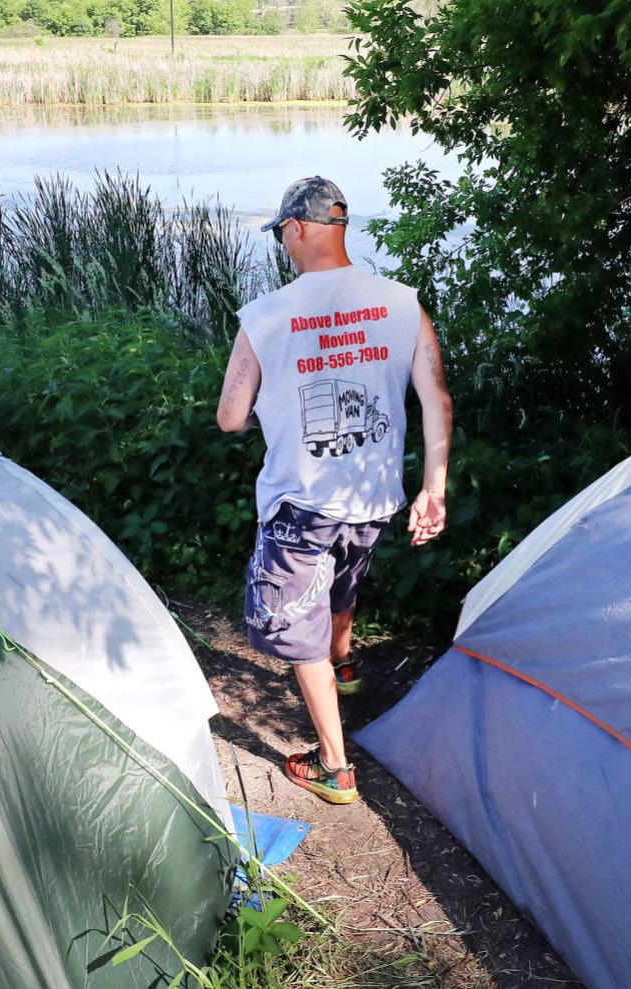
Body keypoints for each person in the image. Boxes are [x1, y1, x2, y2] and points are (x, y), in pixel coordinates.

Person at [216, 176, 453, 805]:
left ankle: (334, 767)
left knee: (297, 628)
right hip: (373, 496)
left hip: (303, 503)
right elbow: (436, 399)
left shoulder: (267, 314)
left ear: (297, 228)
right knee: (342, 582)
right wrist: (434, 489)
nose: (284, 247)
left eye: (283, 236)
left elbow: (231, 417)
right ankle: (345, 666)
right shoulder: (402, 302)